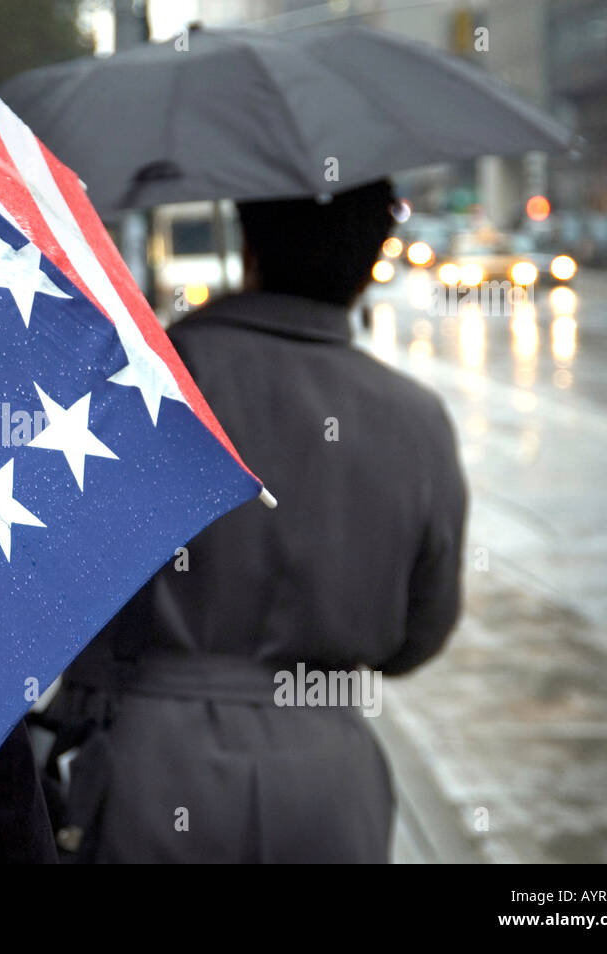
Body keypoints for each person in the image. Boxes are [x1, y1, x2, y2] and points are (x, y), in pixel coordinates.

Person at [38, 178, 468, 863]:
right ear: (369, 265)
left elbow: (59, 579)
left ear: (249, 244)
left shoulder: (154, 378)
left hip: (151, 765)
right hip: (329, 782)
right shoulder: (415, 417)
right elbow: (421, 634)